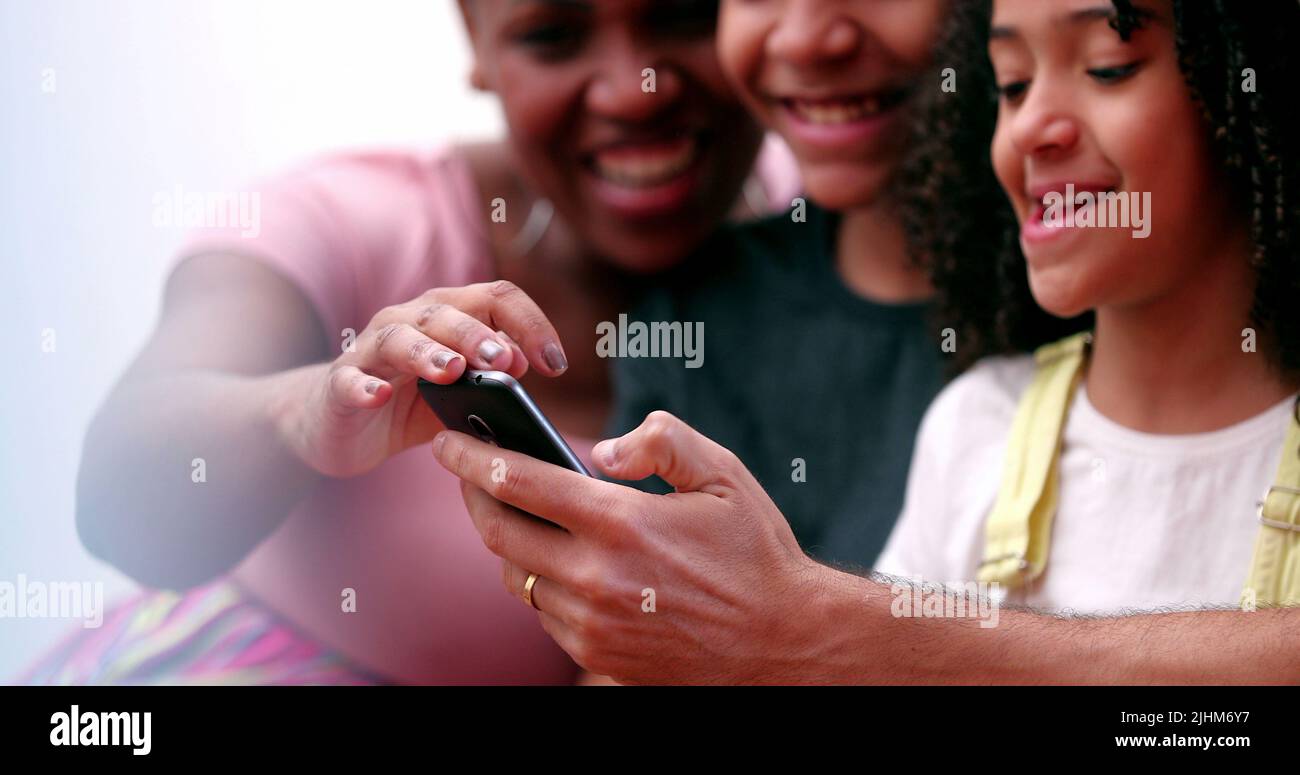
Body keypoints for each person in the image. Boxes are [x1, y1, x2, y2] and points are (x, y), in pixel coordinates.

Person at [434, 0, 1300, 683]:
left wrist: (807, 627)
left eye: (1107, 67)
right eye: (1009, 84)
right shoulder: (980, 423)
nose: (807, 36)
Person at [30, 0, 798, 685]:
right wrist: (305, 414)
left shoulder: (829, 225)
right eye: (553, 35)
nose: (633, 91)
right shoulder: (350, 220)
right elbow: (117, 498)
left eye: (685, 14)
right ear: (474, 36)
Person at [604, 0, 948, 570]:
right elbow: (628, 609)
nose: (803, 41)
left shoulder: (1100, 312)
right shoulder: (689, 319)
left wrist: (796, 613)